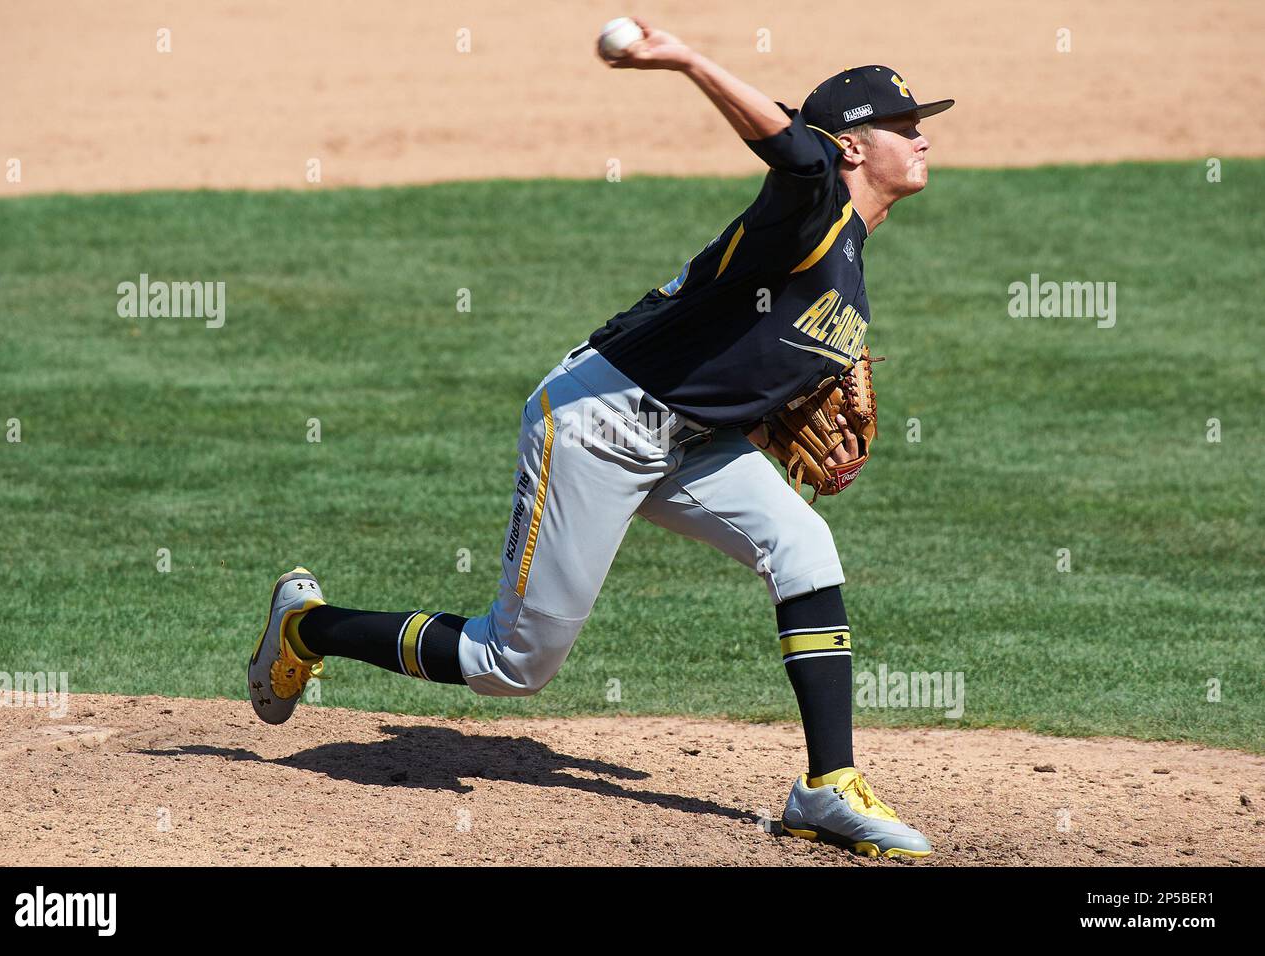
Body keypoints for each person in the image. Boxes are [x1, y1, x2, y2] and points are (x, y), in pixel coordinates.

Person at [247, 18, 952, 859]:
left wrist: (767, 416)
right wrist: (687, 58)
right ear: (848, 147)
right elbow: (794, 153)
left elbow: (741, 366)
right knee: (511, 664)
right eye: (902, 125)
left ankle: (828, 788)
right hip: (600, 422)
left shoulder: (851, 257)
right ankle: (308, 627)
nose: (921, 137)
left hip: (688, 438)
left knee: (803, 546)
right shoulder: (809, 208)